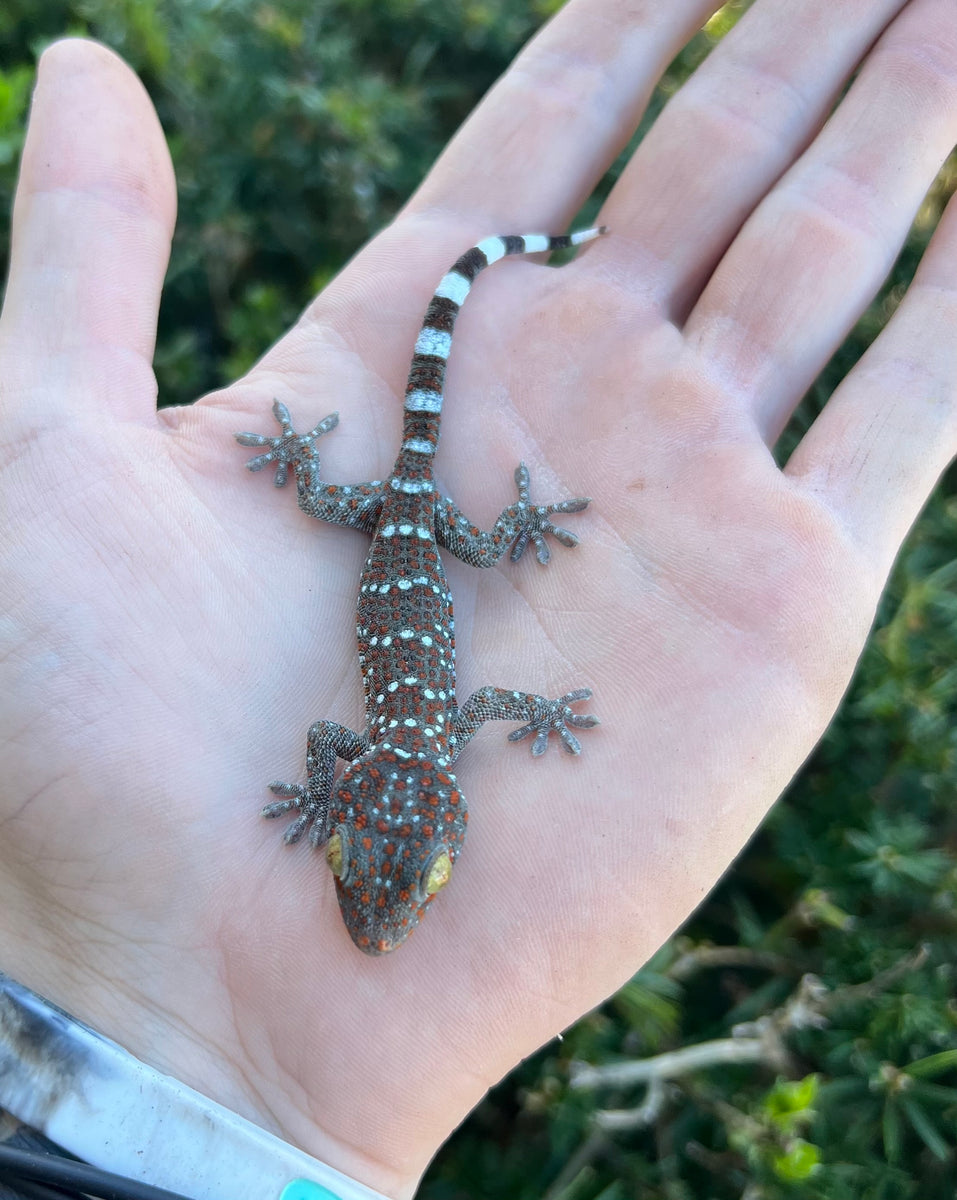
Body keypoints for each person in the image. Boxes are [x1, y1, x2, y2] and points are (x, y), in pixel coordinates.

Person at [1, 1, 954, 1196]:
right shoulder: (407, 743)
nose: (378, 897)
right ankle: (484, 271)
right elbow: (470, 701)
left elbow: (422, 716)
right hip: (422, 538)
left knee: (403, 482)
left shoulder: (402, 745)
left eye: (359, 865)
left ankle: (486, 272)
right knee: (434, 494)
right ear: (428, 823)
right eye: (389, 877)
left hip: (408, 528)